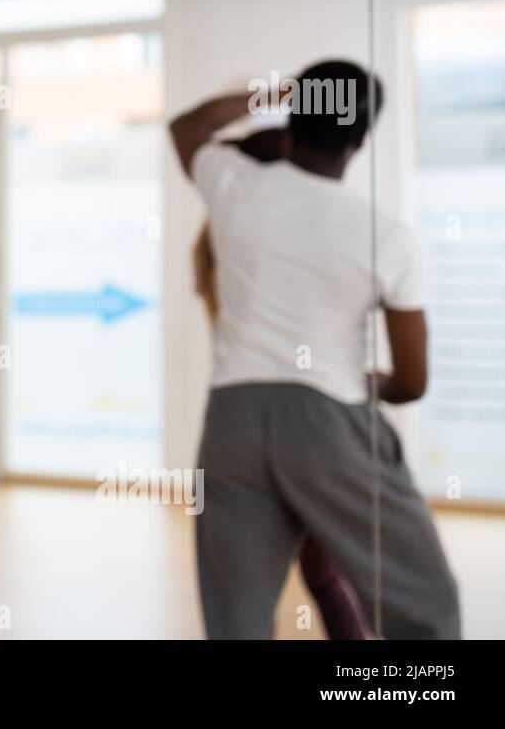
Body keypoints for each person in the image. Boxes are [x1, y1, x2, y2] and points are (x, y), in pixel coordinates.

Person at [169, 59, 460, 639]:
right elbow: (413, 380)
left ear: (293, 118)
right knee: (425, 605)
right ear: (358, 140)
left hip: (232, 424)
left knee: (237, 622)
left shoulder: (234, 186)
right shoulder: (387, 236)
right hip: (328, 422)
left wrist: (279, 91)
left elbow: (187, 127)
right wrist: (368, 382)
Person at [191, 128, 368, 640]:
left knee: (254, 591)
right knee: (321, 570)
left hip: (245, 424)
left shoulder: (223, 237)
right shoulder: (286, 234)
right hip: (312, 422)